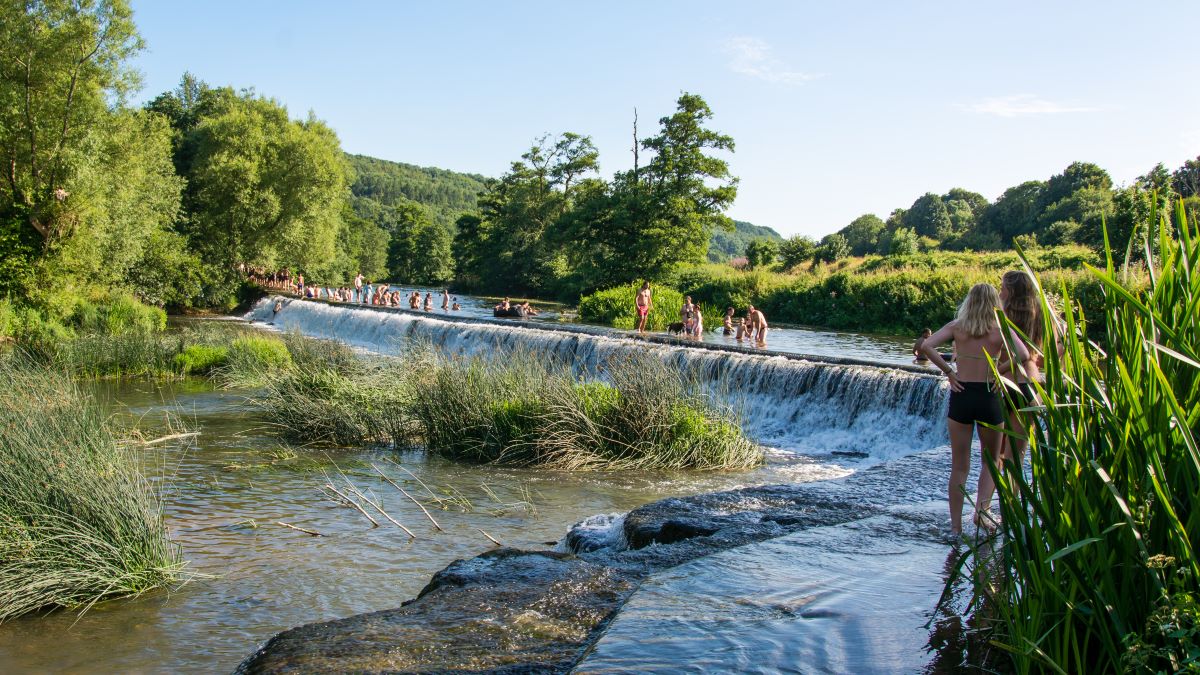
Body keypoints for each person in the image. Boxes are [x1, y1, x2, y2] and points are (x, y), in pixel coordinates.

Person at [920, 283, 1030, 537]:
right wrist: (998, 372)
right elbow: (1023, 354)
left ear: (969, 301)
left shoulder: (957, 327)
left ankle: (956, 527)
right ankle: (981, 512)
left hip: (962, 395)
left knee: (959, 466)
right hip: (989, 397)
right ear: (994, 302)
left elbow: (927, 346)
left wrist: (948, 372)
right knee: (991, 462)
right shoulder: (998, 329)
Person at [973, 270, 1060, 525]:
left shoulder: (999, 313)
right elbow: (1052, 351)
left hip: (1001, 384)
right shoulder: (1042, 313)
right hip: (1029, 385)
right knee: (1016, 453)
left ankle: (982, 509)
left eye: (1002, 286)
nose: (999, 290)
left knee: (992, 454)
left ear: (1009, 291)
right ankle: (1011, 509)